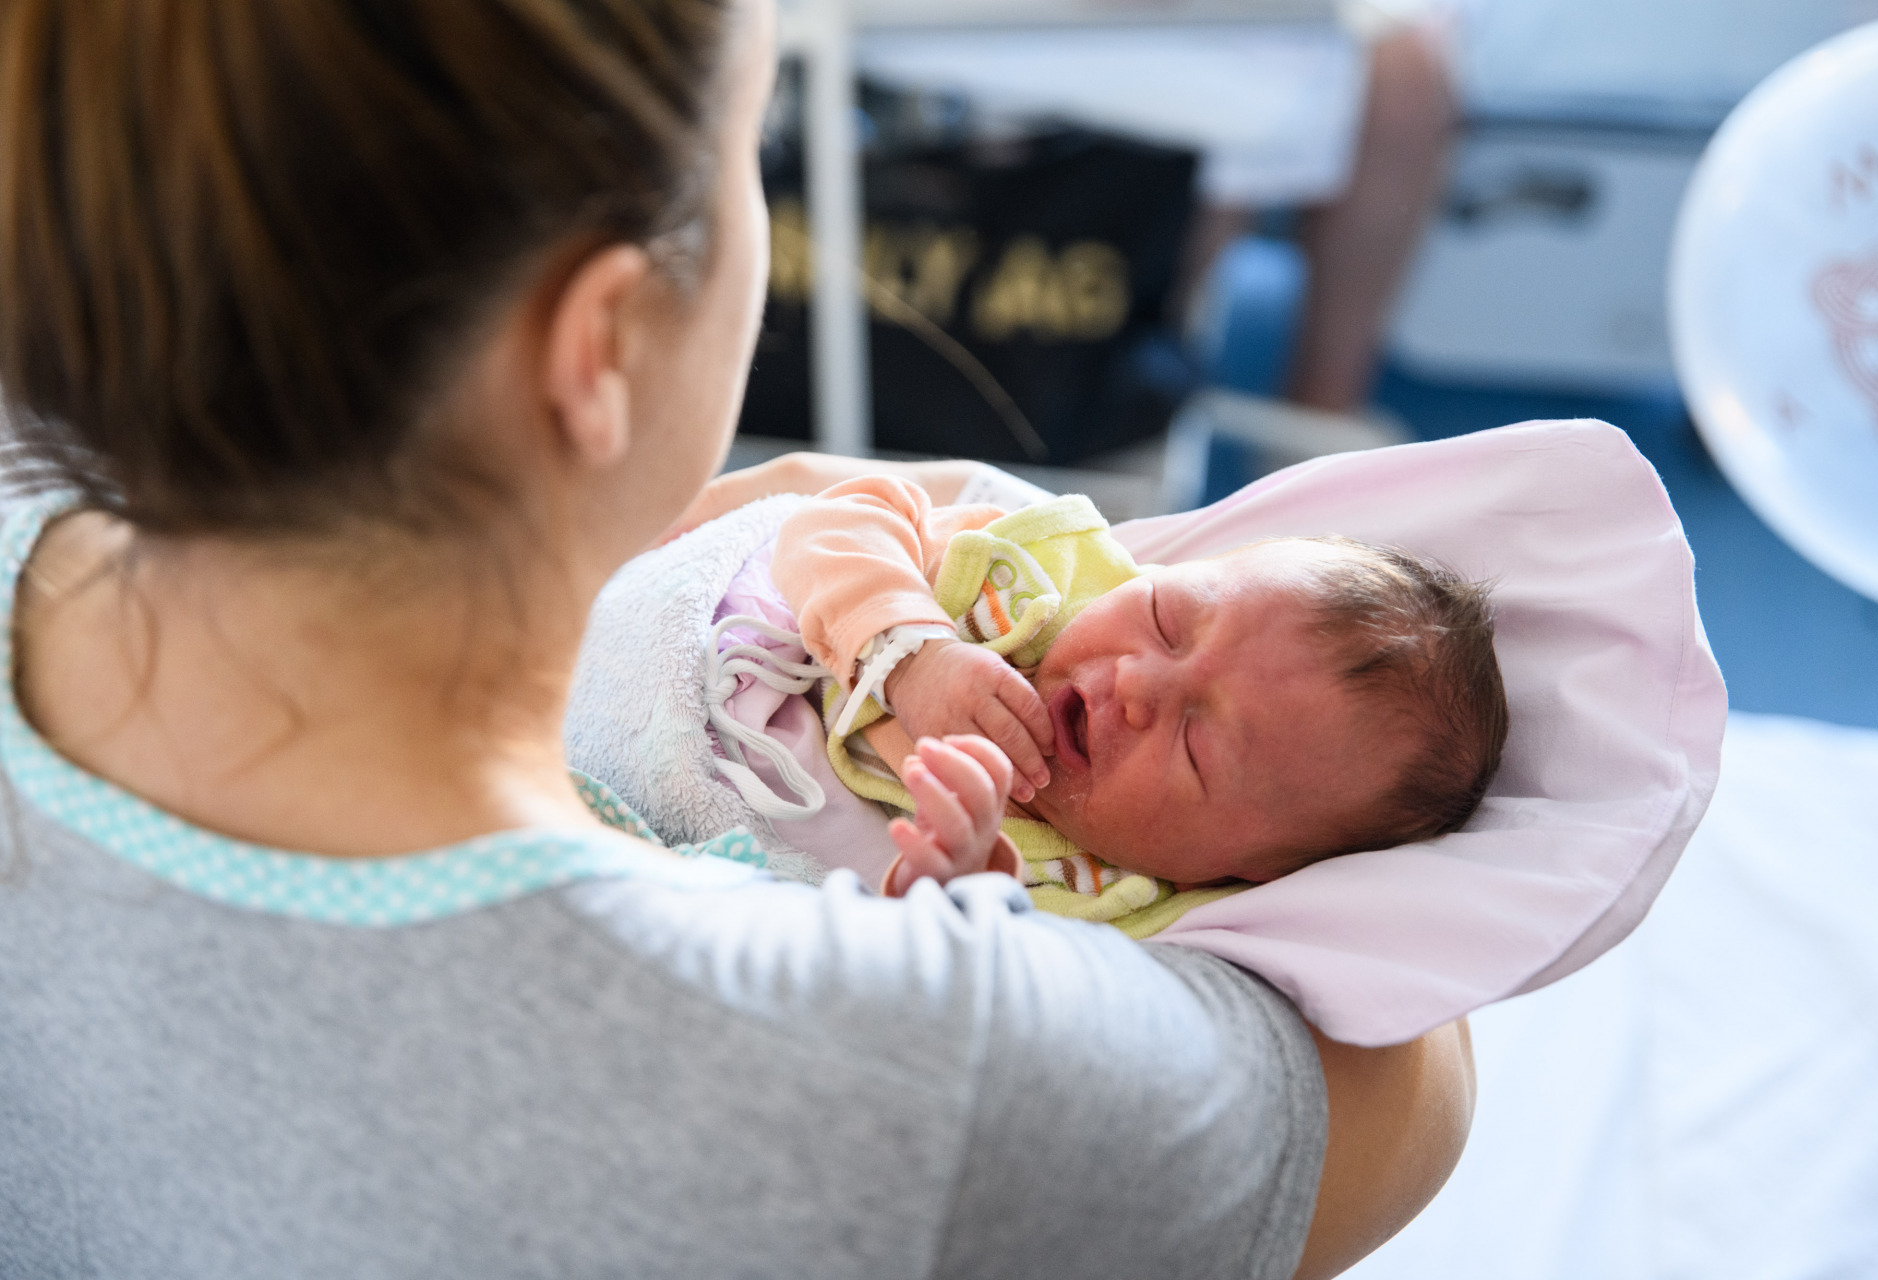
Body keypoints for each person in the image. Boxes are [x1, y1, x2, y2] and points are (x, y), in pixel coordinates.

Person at [0, 1, 1472, 1277]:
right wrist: (955, 511)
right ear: (599, 345)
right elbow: (1413, 1076)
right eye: (754, 153)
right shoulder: (923, 1067)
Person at [763, 476, 1505, 921]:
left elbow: (941, 1015)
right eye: (1166, 619)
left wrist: (953, 888)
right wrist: (914, 650)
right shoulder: (1028, 585)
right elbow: (832, 521)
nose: (1139, 683)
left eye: (1196, 745)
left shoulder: (1114, 914)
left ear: (1245, 869)